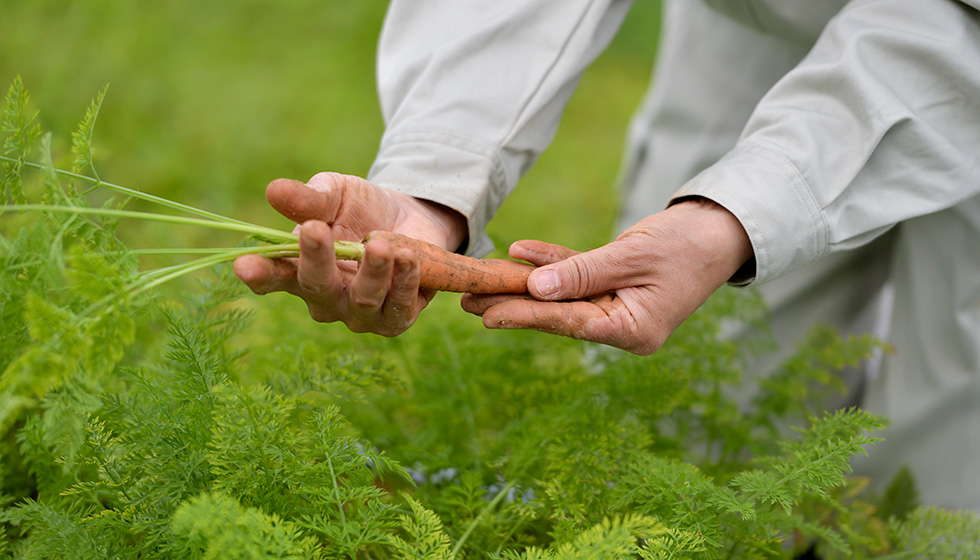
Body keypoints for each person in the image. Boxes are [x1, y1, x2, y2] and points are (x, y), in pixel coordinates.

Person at [234, 0, 980, 510]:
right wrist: (432, 188)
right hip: (754, 22)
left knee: (943, 481)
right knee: (684, 433)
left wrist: (737, 217)